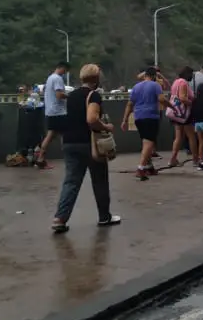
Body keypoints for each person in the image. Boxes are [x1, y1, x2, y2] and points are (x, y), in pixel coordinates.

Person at [51, 64, 121, 232]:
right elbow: (91, 119)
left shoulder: (72, 95)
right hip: (89, 144)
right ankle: (104, 217)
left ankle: (60, 219)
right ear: (96, 78)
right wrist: (106, 127)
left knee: (71, 182)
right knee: (99, 180)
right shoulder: (93, 95)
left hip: (69, 142)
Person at [122, 66, 166, 180]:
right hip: (151, 117)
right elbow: (161, 99)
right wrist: (172, 107)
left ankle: (149, 166)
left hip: (138, 117)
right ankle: (141, 168)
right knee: (149, 143)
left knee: (145, 141)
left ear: (145, 75)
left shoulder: (136, 86)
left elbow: (130, 104)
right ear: (154, 76)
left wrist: (125, 120)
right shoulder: (155, 85)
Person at [168, 67, 201, 169]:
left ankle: (173, 159)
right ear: (187, 74)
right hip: (184, 114)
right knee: (191, 136)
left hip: (177, 113)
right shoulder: (183, 82)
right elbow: (182, 98)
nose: (192, 76)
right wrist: (192, 103)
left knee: (178, 137)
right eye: (191, 74)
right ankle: (195, 159)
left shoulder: (176, 82)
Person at [37, 60, 69, 166]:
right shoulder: (57, 78)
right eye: (66, 70)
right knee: (66, 134)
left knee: (51, 135)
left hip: (51, 111)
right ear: (62, 67)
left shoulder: (50, 78)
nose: (65, 73)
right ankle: (68, 156)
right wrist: (70, 96)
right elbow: (59, 95)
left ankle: (40, 157)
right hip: (58, 112)